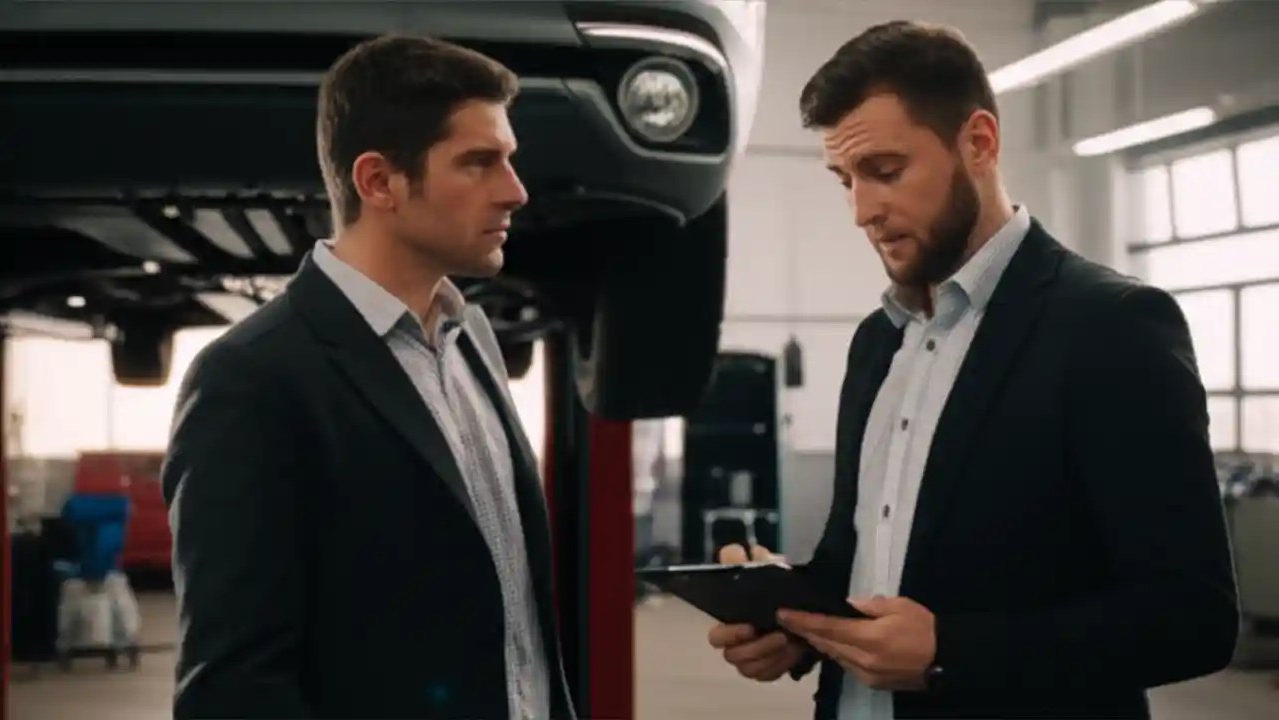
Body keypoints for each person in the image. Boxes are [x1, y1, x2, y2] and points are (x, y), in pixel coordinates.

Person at [707, 20, 1239, 720]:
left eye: (886, 171)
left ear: (979, 143)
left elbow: (1192, 619)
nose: (863, 210)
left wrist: (950, 650)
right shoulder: (878, 343)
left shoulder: (1112, 328)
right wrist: (795, 621)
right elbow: (859, 560)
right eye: (845, 180)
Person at [161, 35, 575, 720]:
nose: (515, 191)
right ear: (379, 182)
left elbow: (518, 628)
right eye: (479, 163)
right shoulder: (252, 379)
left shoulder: (471, 339)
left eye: (510, 160)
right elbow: (233, 690)